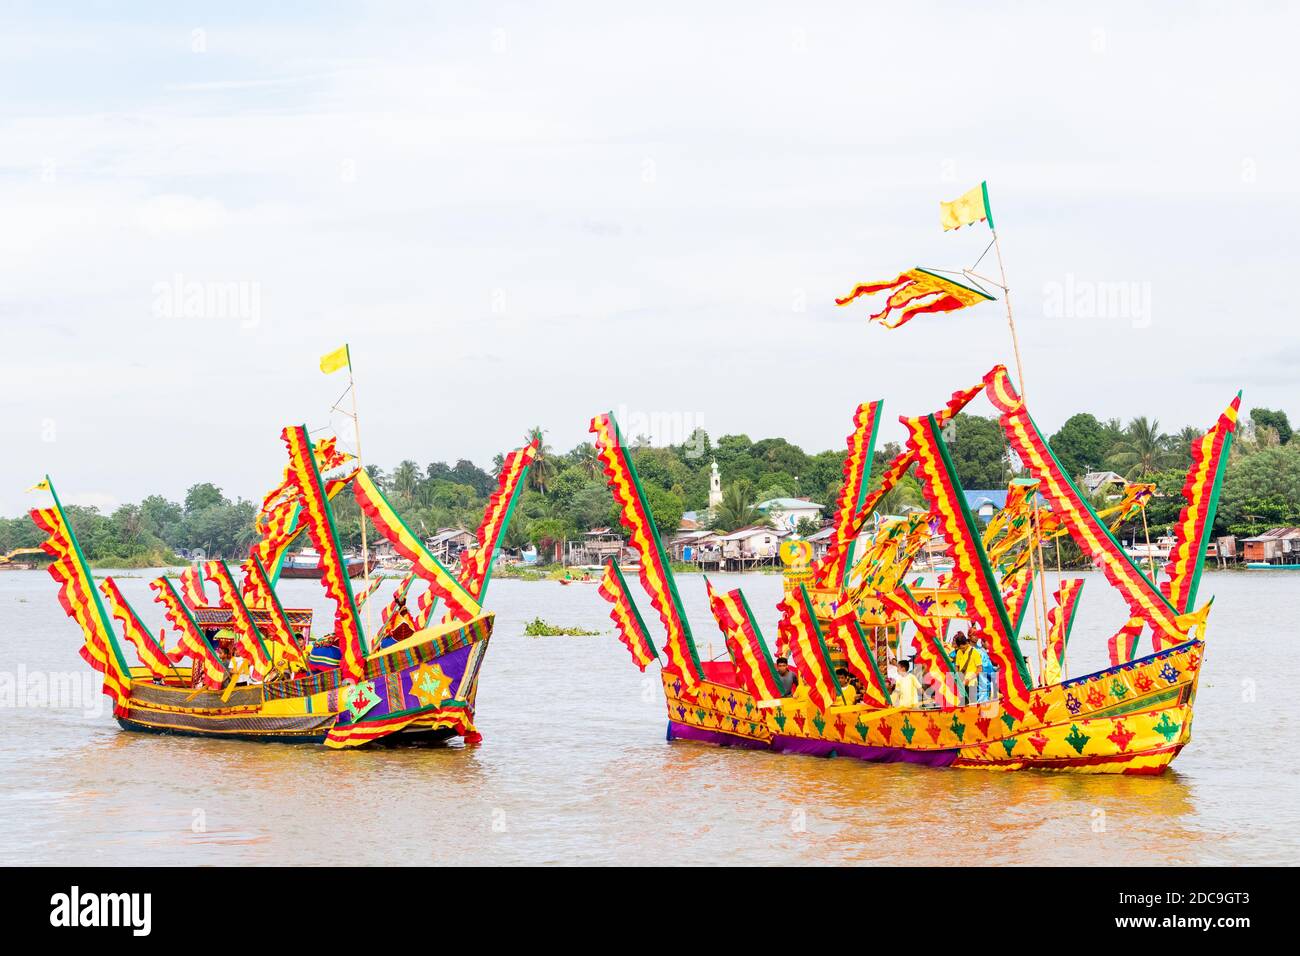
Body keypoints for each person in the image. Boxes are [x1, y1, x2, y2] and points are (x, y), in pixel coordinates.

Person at [954, 634, 980, 705]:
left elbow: (979, 669)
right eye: (961, 648)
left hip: (972, 681)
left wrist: (969, 679)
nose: (963, 649)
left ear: (967, 643)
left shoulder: (975, 652)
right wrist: (957, 677)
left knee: (972, 704)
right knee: (962, 704)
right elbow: (956, 666)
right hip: (961, 682)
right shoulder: (959, 652)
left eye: (964, 647)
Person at [975, 636, 996, 702]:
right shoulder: (981, 653)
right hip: (983, 679)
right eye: (988, 642)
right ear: (982, 642)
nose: (990, 644)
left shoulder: (983, 652)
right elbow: (987, 667)